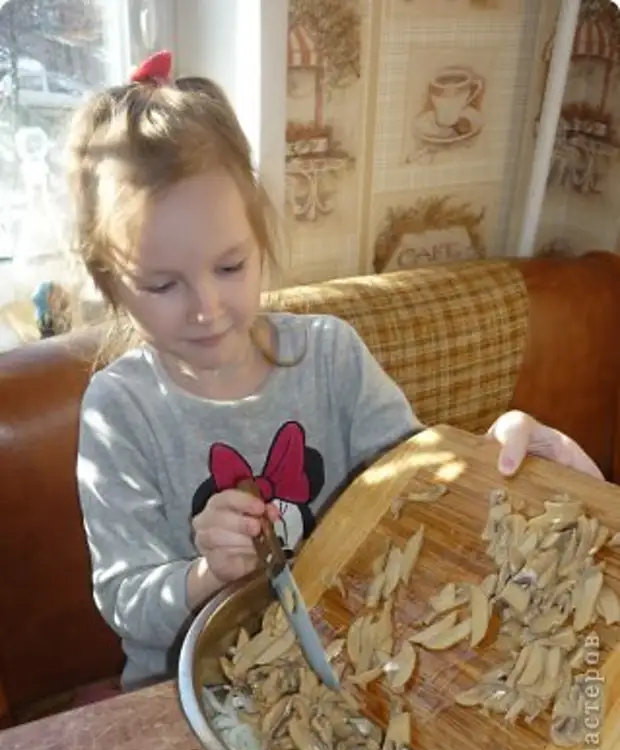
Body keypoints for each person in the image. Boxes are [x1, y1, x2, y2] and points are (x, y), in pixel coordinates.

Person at [68, 51, 603, 691]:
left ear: (261, 239)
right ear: (111, 287)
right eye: (162, 284)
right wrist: (205, 575)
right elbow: (124, 596)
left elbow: (419, 495)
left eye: (231, 267)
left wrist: (505, 456)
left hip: (347, 665)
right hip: (186, 694)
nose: (208, 309)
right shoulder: (118, 408)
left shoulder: (332, 356)